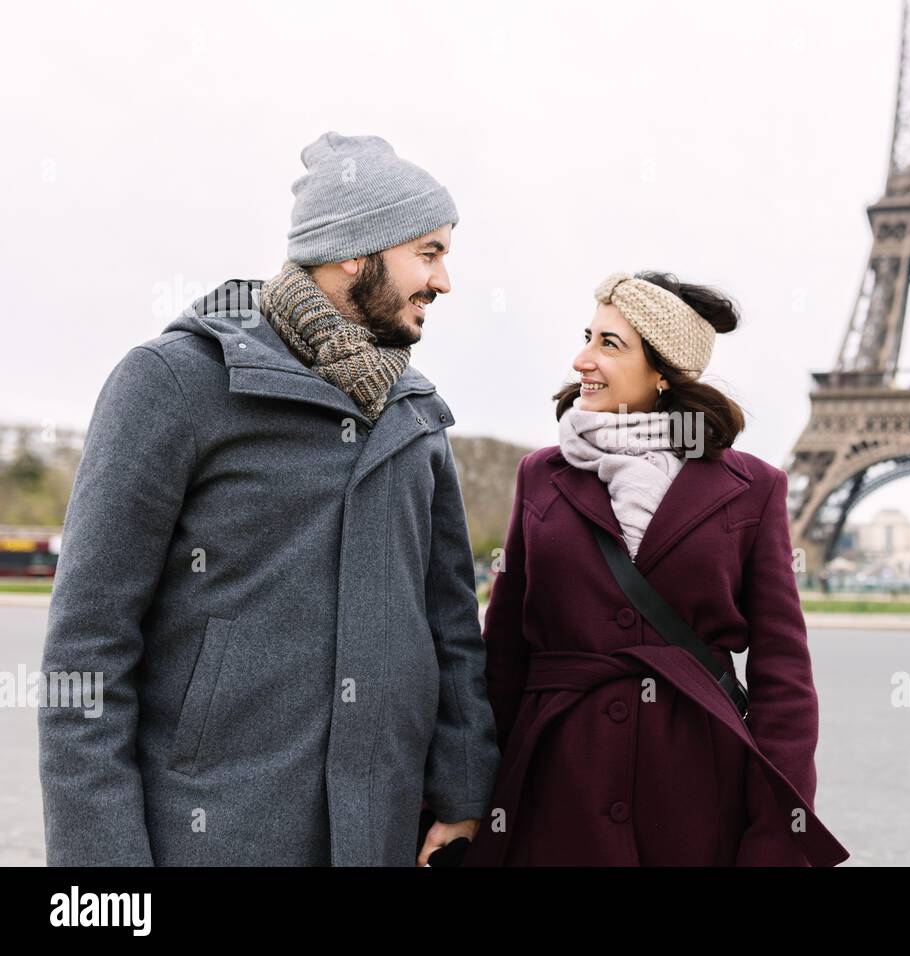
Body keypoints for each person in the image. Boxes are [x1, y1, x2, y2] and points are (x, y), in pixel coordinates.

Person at [37, 132, 499, 866]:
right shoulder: (175, 383)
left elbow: (448, 627)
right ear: (357, 249)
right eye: (430, 252)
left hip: (380, 838)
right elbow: (86, 652)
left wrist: (464, 791)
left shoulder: (416, 415)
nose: (445, 281)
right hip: (214, 836)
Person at [461, 271, 849, 866]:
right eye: (586, 336)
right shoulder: (540, 475)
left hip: (700, 792)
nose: (581, 359)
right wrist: (471, 801)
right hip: (553, 785)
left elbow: (784, 676)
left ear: (663, 370)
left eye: (609, 344)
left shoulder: (755, 489)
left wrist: (778, 837)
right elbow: (504, 655)